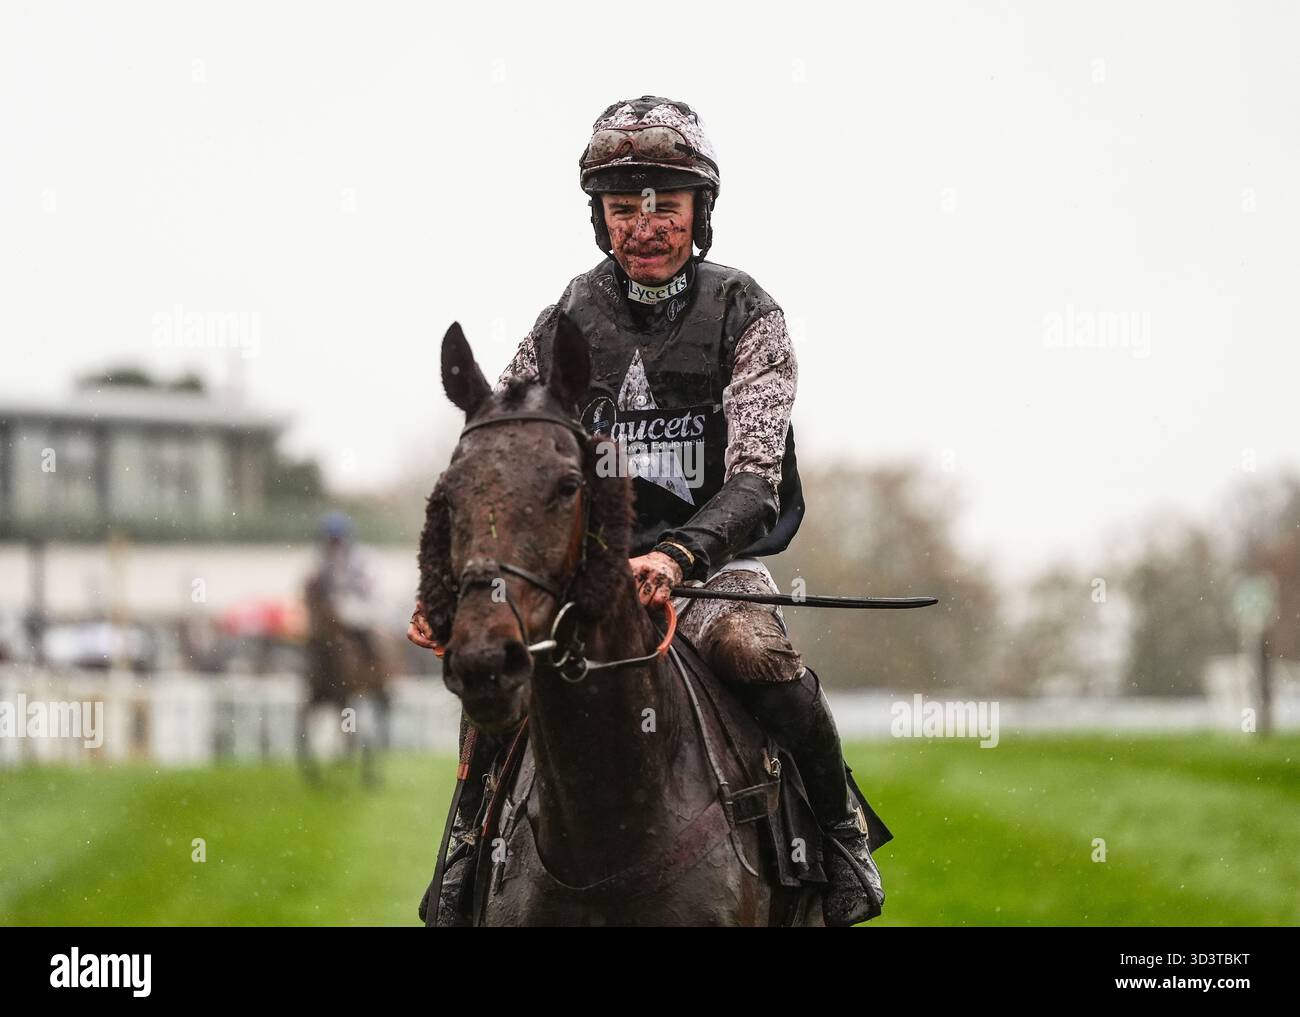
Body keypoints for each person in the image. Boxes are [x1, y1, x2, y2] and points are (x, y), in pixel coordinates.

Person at [411, 96, 886, 926]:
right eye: (623, 204)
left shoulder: (749, 314)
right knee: (499, 666)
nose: (645, 222)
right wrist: (464, 589)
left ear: (699, 210)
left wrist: (678, 559)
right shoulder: (566, 317)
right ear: (600, 216)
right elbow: (511, 454)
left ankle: (837, 833)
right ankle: (464, 852)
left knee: (755, 650)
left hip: (709, 570)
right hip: (589, 573)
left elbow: (755, 480)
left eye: (666, 201)